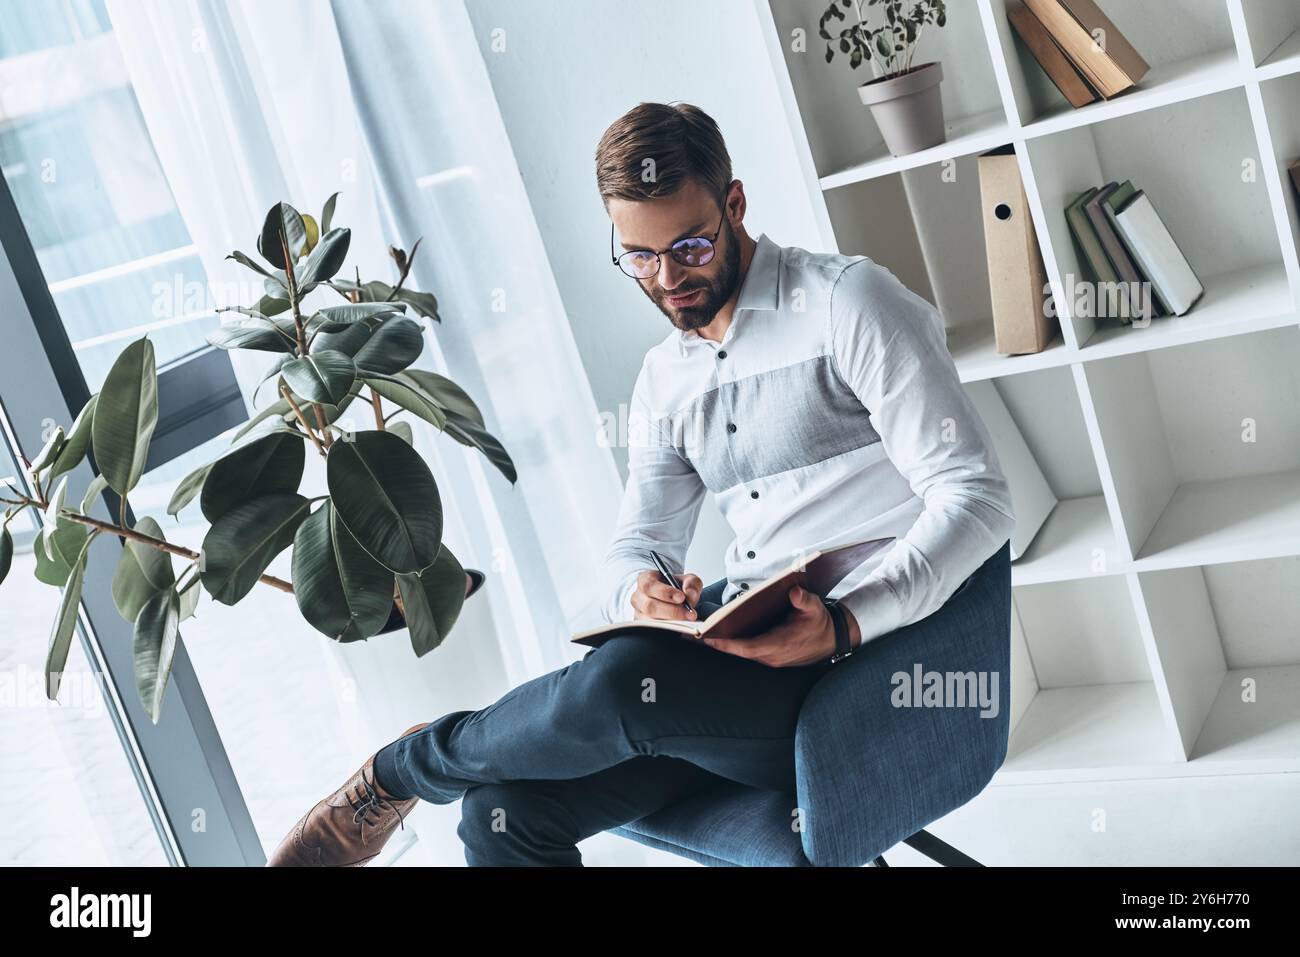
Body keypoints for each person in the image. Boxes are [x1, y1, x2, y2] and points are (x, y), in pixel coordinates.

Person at [267, 101, 1015, 867]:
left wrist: (847, 620)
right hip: (733, 690)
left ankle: (408, 766)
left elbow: (977, 496)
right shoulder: (666, 379)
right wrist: (641, 592)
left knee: (624, 681)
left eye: (689, 246)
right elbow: (638, 543)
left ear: (735, 204)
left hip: (861, 673)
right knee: (501, 809)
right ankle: (439, 763)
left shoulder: (848, 305)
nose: (669, 279)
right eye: (640, 258)